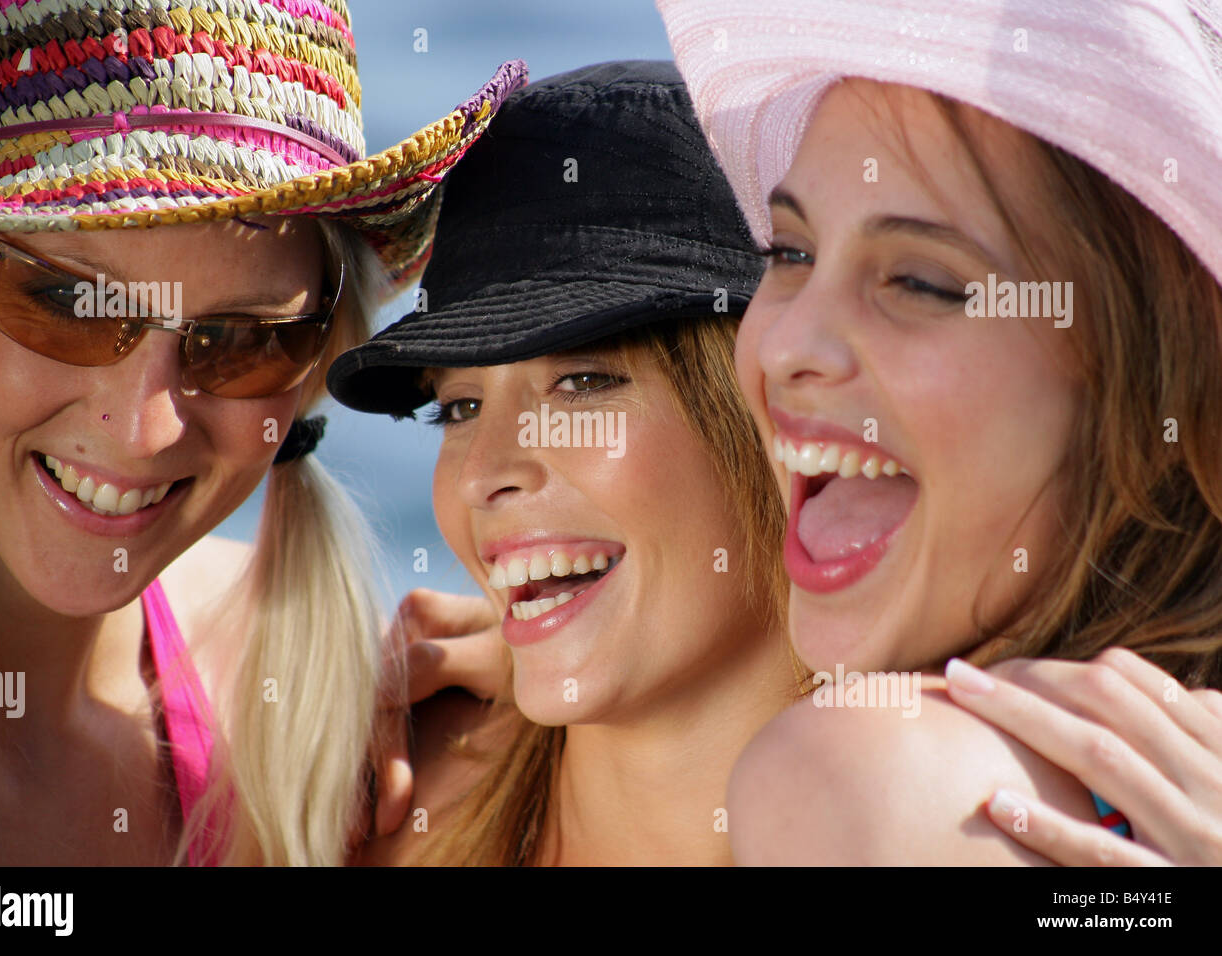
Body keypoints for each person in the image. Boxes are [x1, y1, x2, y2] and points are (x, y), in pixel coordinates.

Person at [330, 59, 1221, 865]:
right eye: (458, 407)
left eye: (585, 384)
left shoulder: (969, 805)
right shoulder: (372, 786)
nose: (489, 472)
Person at [0, 0, 525, 865]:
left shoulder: (350, 731)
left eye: (244, 342)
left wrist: (581, 724)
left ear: (322, 360)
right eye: (66, 303)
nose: (143, 428)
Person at [658, 0, 1222, 863]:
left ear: (1155, 381)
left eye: (920, 283)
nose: (786, 344)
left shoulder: (861, 775)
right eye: (790, 253)